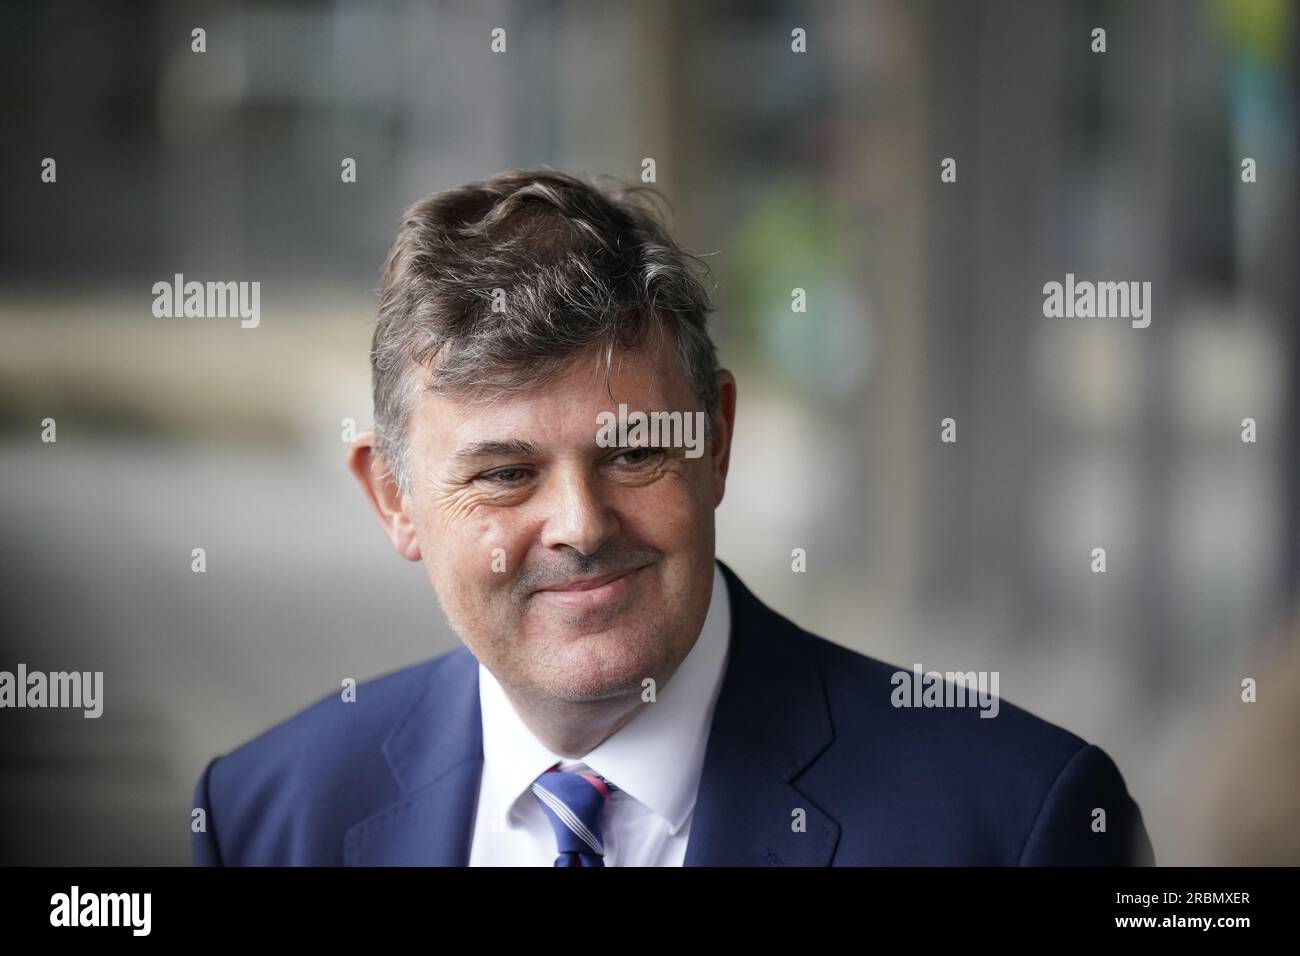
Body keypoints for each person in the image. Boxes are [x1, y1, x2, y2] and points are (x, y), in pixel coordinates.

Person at [191, 168, 1154, 866]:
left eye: (634, 451)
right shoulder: (267, 823)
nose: (580, 523)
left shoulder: (1020, 823)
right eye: (505, 475)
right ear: (392, 499)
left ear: (717, 441)